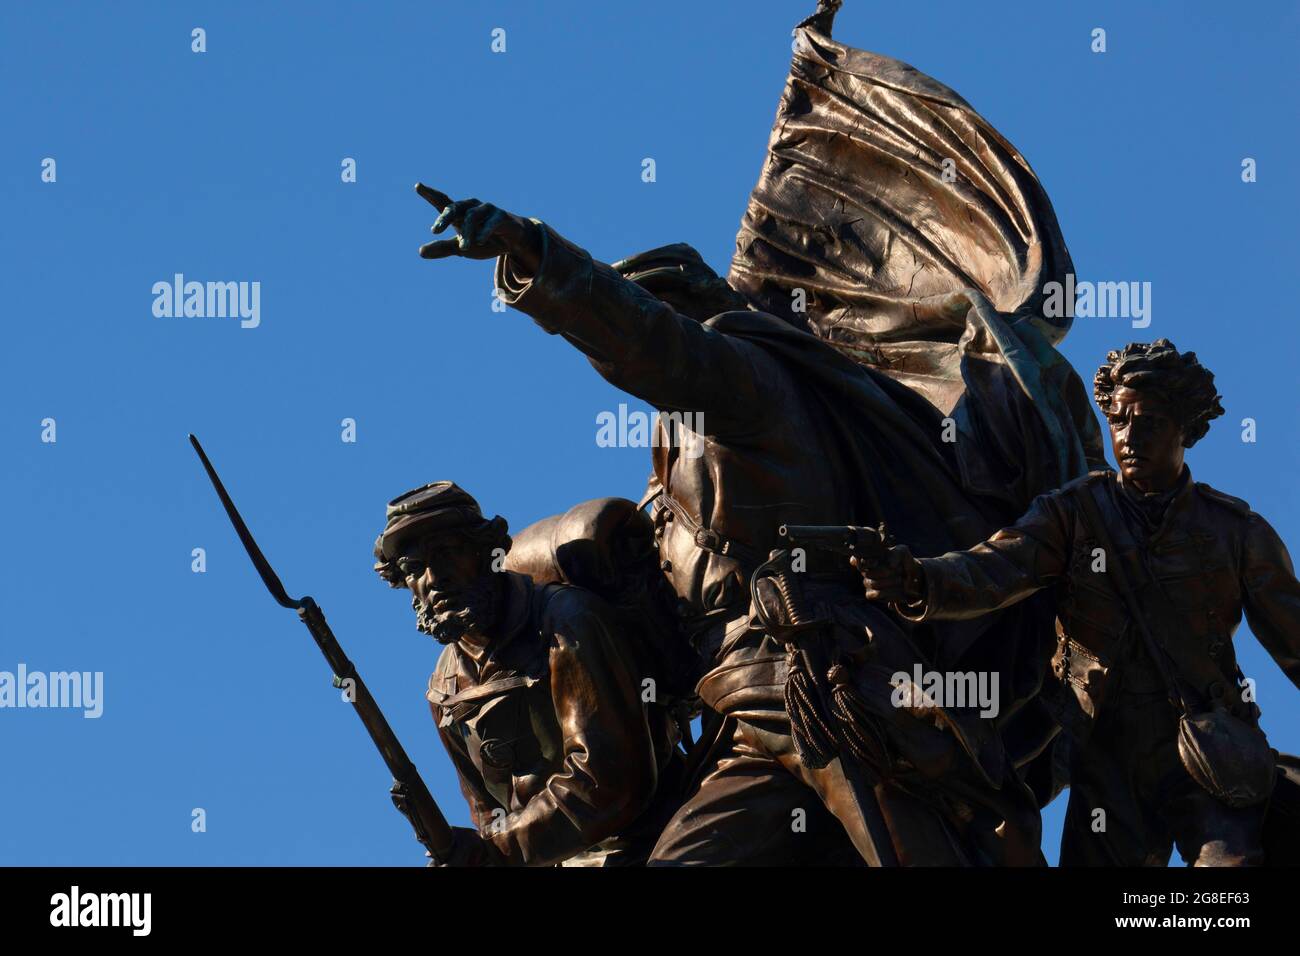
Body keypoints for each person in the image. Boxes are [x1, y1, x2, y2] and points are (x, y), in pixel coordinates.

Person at [857, 340, 1300, 865]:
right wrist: (917, 580)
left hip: (1206, 750)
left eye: (1150, 423)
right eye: (1119, 421)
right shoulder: (1074, 513)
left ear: (1187, 429)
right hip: (1105, 758)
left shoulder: (1237, 531)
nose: (1129, 438)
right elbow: (994, 569)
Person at [373, 481, 682, 866]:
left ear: (486, 550)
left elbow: (609, 781)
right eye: (413, 569)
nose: (434, 579)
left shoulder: (567, 622)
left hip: (648, 842)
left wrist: (497, 852)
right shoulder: (444, 688)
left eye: (446, 554)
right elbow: (488, 815)